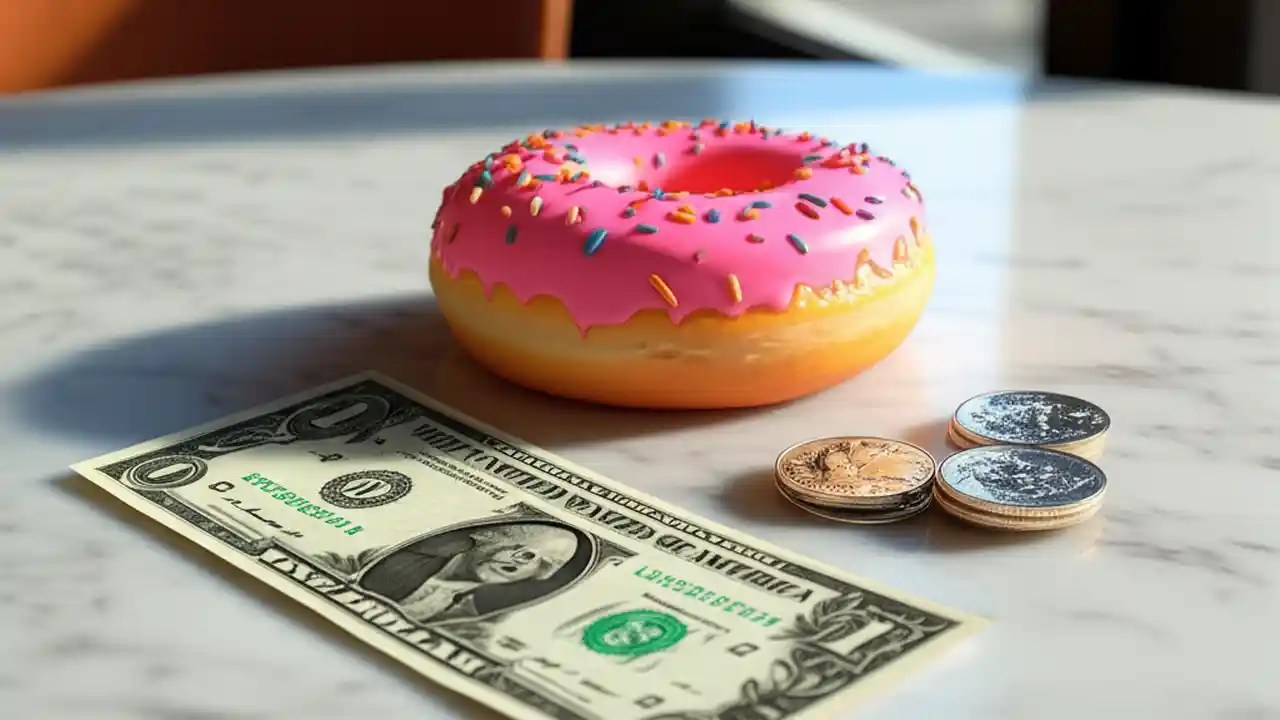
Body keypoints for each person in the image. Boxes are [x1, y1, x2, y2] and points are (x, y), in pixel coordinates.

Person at [360, 522, 578, 623]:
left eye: (545, 567)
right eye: (526, 554)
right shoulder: (397, 559)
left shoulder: (466, 614)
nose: (524, 567)